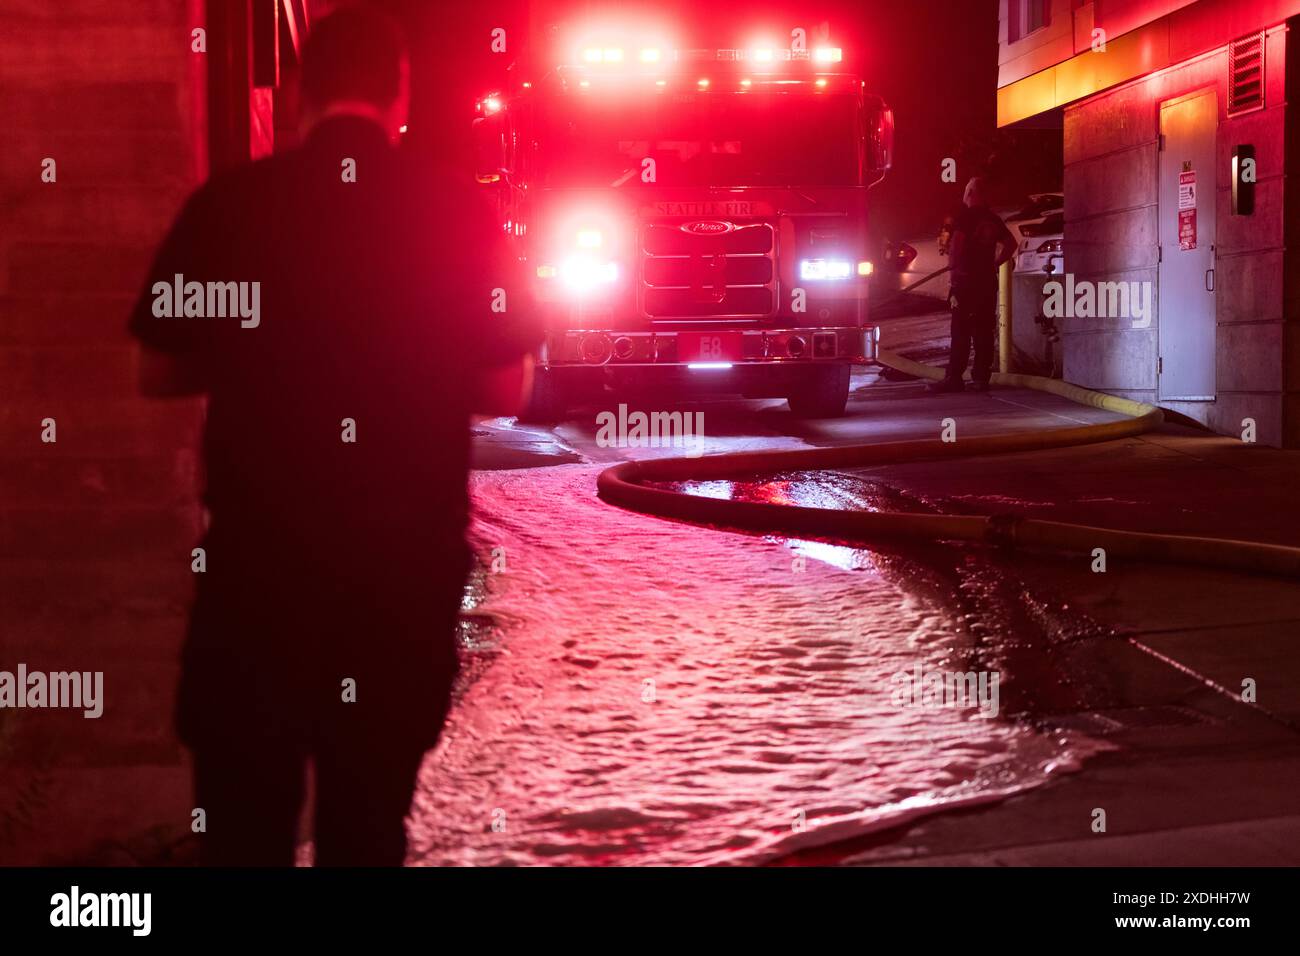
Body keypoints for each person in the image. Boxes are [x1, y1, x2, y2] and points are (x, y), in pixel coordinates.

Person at [129, 6, 536, 866]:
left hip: (257, 584)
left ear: (301, 92)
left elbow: (157, 371)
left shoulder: (231, 204)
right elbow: (504, 385)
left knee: (243, 829)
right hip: (397, 590)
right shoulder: (455, 215)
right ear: (401, 96)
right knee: (367, 824)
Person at [929, 177, 1017, 393]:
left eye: (966, 192)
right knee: (984, 330)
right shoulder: (993, 219)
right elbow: (1011, 244)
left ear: (970, 194)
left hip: (965, 282)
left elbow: (957, 243)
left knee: (960, 331)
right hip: (986, 282)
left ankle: (954, 378)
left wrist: (953, 270)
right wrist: (996, 263)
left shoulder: (965, 217)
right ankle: (980, 379)